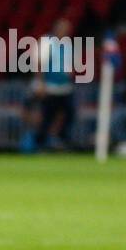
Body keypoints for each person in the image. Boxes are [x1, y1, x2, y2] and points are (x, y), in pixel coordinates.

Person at [33, 17, 75, 151]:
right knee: (47, 117)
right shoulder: (47, 41)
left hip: (65, 88)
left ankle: (61, 139)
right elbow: (39, 63)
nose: (65, 31)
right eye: (62, 28)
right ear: (56, 28)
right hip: (50, 88)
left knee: (70, 113)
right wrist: (40, 83)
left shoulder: (68, 44)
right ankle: (40, 144)